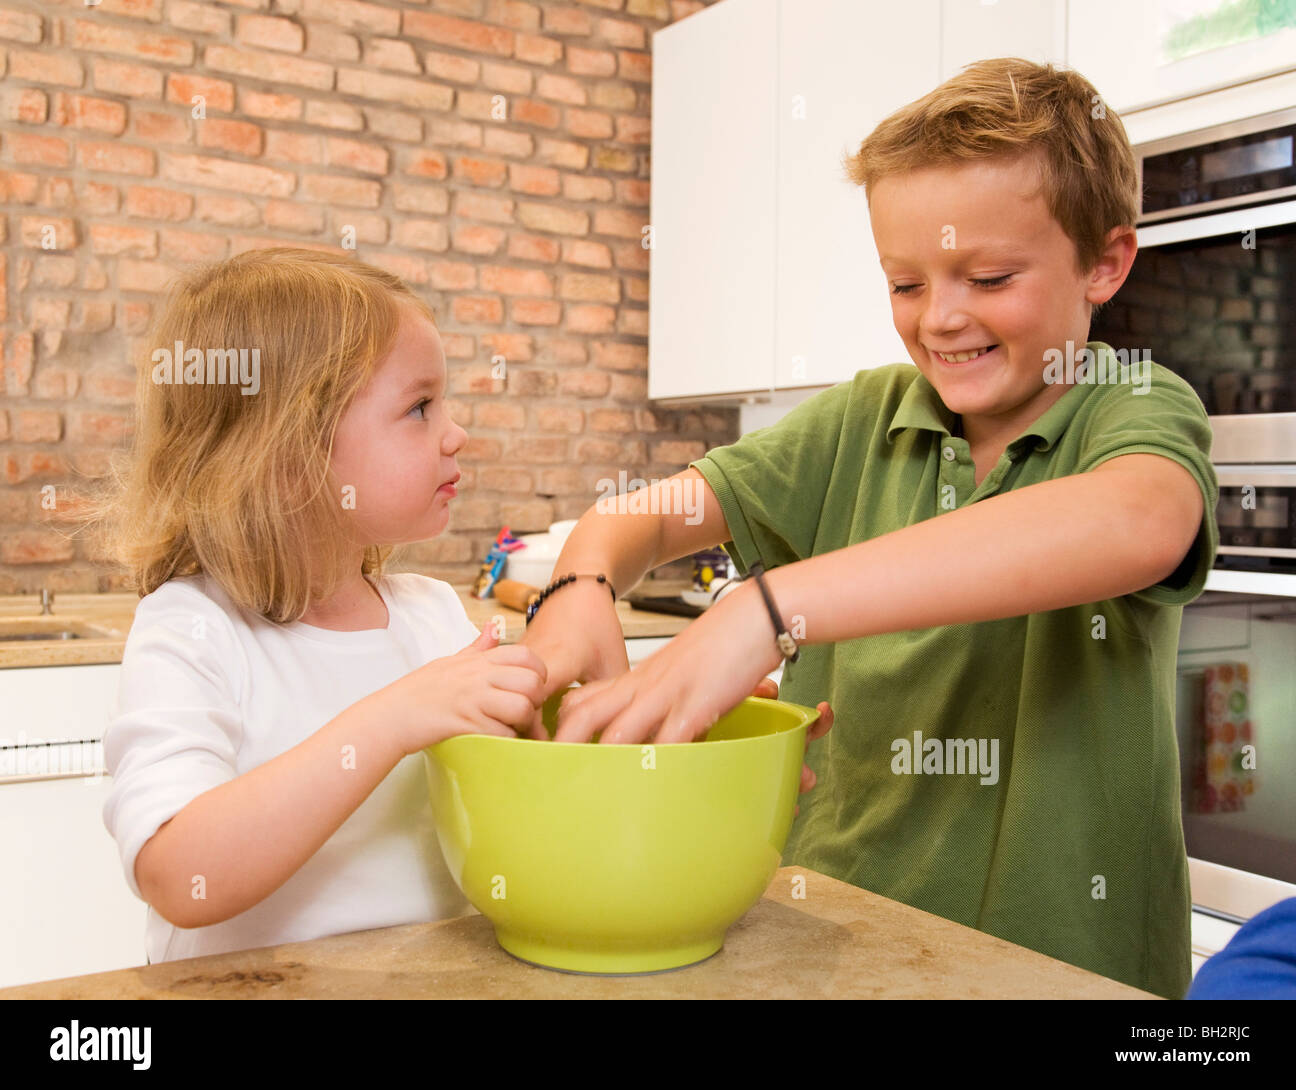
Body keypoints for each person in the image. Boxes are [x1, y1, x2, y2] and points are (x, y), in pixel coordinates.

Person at [521, 59, 1219, 1000]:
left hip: (1058, 972)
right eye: (904, 284)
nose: (941, 319)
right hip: (828, 940)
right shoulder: (861, 418)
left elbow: (1140, 519)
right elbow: (631, 520)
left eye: (988, 276)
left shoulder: (1130, 403)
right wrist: (579, 585)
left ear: (1106, 262)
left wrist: (764, 610)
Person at [91, 249, 555, 964]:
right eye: (419, 407)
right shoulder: (194, 633)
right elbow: (179, 875)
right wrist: (391, 719)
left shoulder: (435, 617)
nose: (455, 433)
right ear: (289, 457)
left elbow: (530, 791)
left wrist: (672, 729)